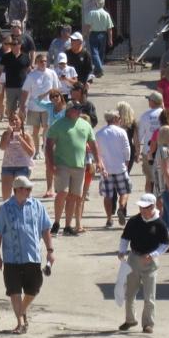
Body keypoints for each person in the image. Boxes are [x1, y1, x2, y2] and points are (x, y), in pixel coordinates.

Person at [0, 175, 54, 334]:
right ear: (17, 190)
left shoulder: (37, 206)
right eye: (27, 189)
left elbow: (45, 228)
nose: (29, 191)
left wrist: (50, 250)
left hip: (32, 255)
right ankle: (20, 323)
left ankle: (22, 310)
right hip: (11, 257)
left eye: (30, 188)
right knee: (14, 290)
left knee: (34, 288)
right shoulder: (4, 208)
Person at [46, 101, 102, 237]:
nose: (78, 111)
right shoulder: (58, 125)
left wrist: (98, 160)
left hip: (79, 165)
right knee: (62, 193)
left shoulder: (85, 125)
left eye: (80, 109)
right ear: (69, 110)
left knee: (74, 196)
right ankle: (57, 222)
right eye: (76, 109)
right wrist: (51, 164)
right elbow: (49, 145)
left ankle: (67, 226)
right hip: (62, 164)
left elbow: (93, 144)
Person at [117, 193, 169, 333]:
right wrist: (122, 251)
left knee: (149, 296)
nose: (142, 210)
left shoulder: (160, 224)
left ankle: (148, 324)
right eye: (140, 207)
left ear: (152, 207)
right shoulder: (134, 221)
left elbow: (165, 244)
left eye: (145, 207)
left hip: (150, 263)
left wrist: (153, 255)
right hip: (134, 258)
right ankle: (130, 320)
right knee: (130, 293)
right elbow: (125, 238)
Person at [96, 111, 132, 228]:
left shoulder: (100, 133)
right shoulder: (121, 132)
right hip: (120, 166)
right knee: (124, 191)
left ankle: (109, 218)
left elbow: (98, 152)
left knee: (108, 195)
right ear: (116, 118)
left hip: (106, 168)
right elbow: (127, 148)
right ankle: (121, 208)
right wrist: (126, 162)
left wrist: (100, 165)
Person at [23, 53, 60, 158]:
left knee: (47, 128)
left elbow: (56, 89)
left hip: (48, 106)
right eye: (41, 61)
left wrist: (56, 104)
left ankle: (45, 149)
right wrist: (23, 105)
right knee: (35, 129)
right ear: (36, 63)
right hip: (34, 106)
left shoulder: (52, 73)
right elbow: (25, 91)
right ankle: (37, 150)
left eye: (45, 61)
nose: (43, 63)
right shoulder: (31, 75)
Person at [0, 114, 35, 201]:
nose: (14, 122)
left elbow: (31, 153)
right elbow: (2, 147)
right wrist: (8, 134)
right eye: (11, 120)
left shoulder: (26, 135)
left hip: (22, 167)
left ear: (21, 121)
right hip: (7, 166)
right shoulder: (5, 134)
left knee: (22, 195)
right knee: (6, 197)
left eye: (16, 119)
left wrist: (21, 139)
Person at [0, 35, 32, 120]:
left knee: (23, 108)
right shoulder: (6, 56)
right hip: (10, 87)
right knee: (10, 109)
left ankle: (21, 126)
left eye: (16, 44)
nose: (14, 46)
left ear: (20, 45)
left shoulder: (26, 57)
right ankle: (12, 126)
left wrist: (32, 83)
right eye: (12, 44)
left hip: (23, 87)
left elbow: (29, 70)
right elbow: (0, 69)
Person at [136, 92, 164, 189]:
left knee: (149, 179)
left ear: (152, 102)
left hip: (148, 151)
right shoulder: (167, 113)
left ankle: (148, 200)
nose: (148, 102)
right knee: (163, 177)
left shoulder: (145, 116)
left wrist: (137, 152)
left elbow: (139, 136)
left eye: (149, 100)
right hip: (164, 151)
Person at [83, 0, 115, 77]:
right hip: (103, 35)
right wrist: (110, 39)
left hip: (93, 34)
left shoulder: (91, 13)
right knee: (101, 53)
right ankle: (98, 70)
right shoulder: (106, 14)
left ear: (96, 3)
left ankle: (99, 68)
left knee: (94, 53)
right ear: (103, 4)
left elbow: (87, 26)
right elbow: (109, 28)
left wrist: (85, 34)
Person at [116, 101, 140, 179]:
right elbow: (136, 141)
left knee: (116, 173)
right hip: (129, 150)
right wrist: (137, 154)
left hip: (116, 150)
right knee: (126, 173)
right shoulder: (132, 123)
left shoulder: (115, 123)